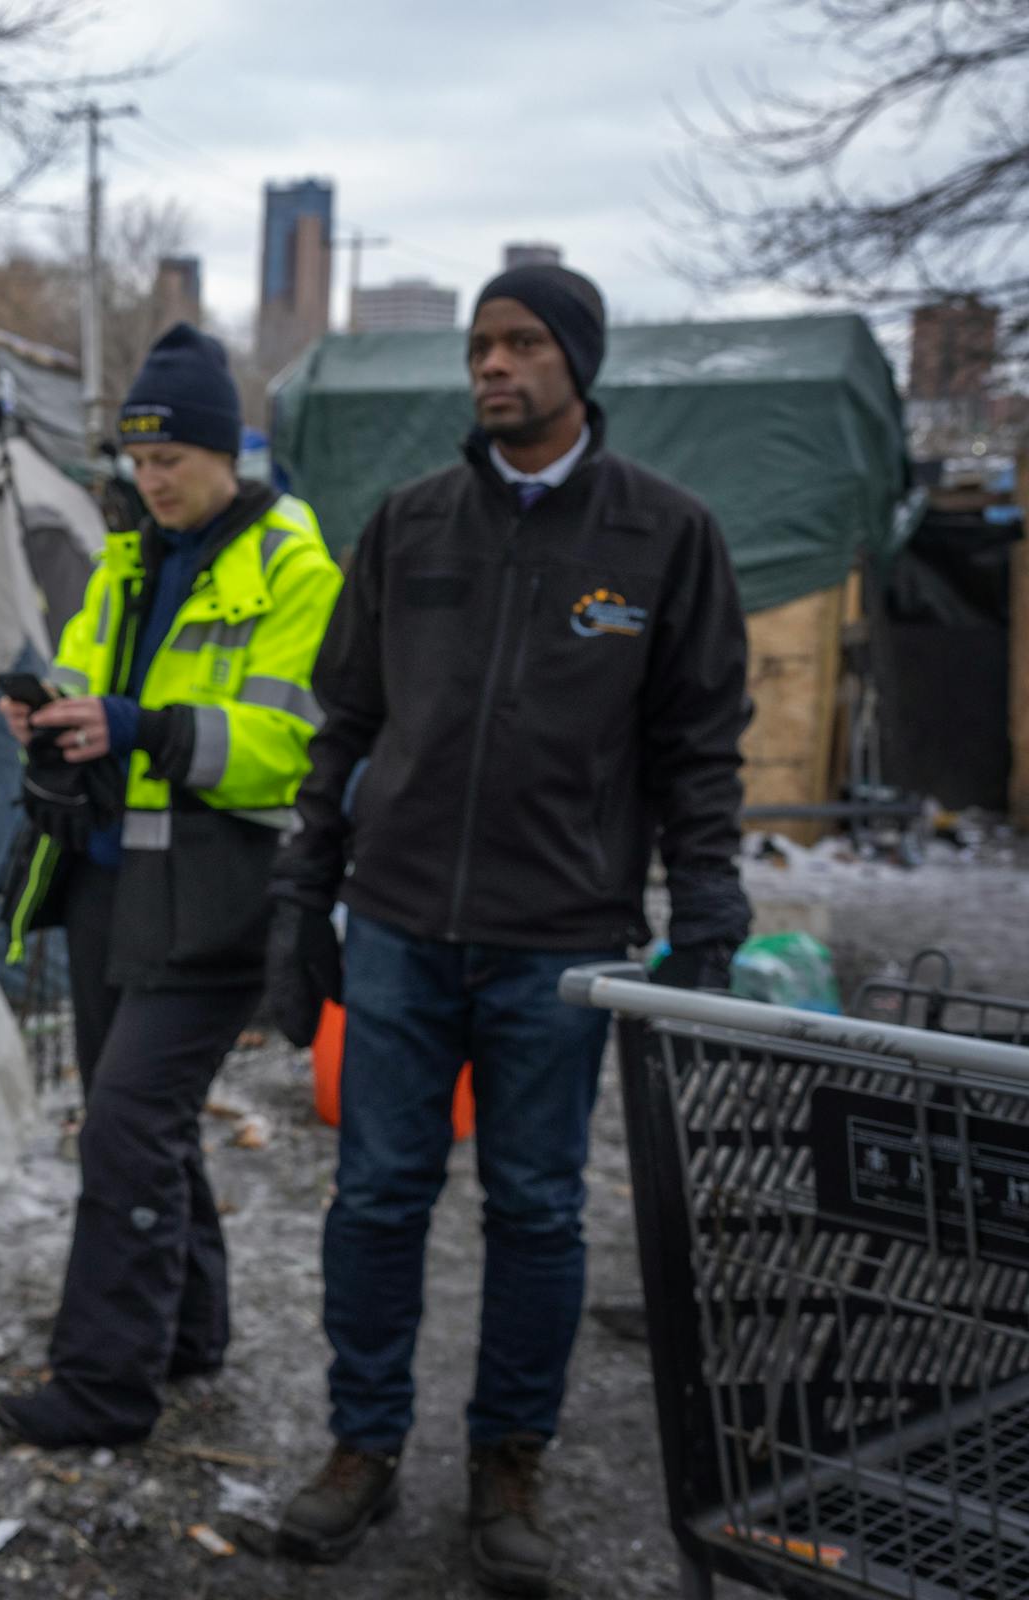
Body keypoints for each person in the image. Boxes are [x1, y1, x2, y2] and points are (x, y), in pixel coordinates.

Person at [263, 264, 750, 1597]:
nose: (494, 365)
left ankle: (509, 1464)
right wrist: (312, 887)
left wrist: (708, 902)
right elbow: (346, 724)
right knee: (375, 1198)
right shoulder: (411, 526)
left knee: (536, 1212)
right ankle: (362, 1448)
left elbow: (700, 742)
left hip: (563, 941)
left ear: (578, 365)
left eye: (524, 344)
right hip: (404, 928)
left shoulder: (664, 537)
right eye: (482, 345)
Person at [0, 324, 342, 1448]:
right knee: (147, 1121)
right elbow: (93, 687)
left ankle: (104, 1382)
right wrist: (51, 715)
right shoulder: (127, 558)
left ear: (222, 448)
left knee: (130, 1126)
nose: (149, 481)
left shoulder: (295, 568)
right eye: (137, 463)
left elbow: (297, 749)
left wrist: (143, 727)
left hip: (218, 896)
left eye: (170, 461)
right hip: (110, 888)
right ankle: (189, 1331)